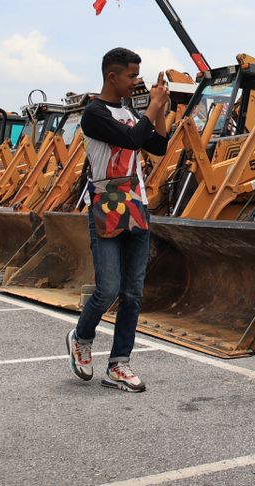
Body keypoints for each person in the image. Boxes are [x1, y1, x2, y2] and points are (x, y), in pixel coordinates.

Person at [67, 47, 170, 392]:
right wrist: (152, 108)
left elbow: (157, 146)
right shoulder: (93, 114)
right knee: (108, 288)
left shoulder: (127, 111)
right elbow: (130, 140)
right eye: (131, 75)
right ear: (112, 76)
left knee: (133, 292)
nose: (136, 82)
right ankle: (81, 337)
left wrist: (162, 112)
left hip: (136, 203)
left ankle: (119, 364)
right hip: (108, 202)